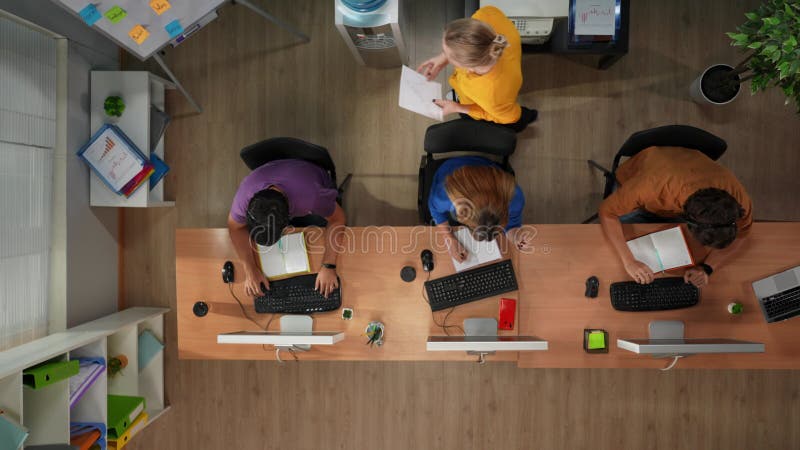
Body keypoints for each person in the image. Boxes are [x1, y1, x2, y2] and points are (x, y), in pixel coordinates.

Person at [598, 146, 753, 287]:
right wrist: (629, 261)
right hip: (646, 180)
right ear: (688, 219)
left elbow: (742, 236)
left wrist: (706, 268)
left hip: (683, 175)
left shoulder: (738, 201)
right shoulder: (651, 187)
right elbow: (607, 212)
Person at [227, 159, 346, 297]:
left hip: (310, 178)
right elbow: (234, 227)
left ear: (288, 222)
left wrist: (328, 266)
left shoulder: (311, 197)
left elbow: (338, 219)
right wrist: (250, 269)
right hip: (283, 175)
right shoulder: (244, 198)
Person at [417, 6, 537, 132]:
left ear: (467, 67)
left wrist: (459, 107)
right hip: (501, 86)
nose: (444, 55)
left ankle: (529, 117)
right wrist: (443, 58)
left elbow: (511, 117)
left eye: (448, 55)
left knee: (514, 120)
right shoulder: (488, 15)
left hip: (496, 106)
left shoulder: (492, 95)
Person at [428, 156, 531, 261]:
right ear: (463, 214)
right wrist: (449, 239)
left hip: (487, 169)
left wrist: (515, 234)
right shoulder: (445, 196)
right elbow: (435, 210)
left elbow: (512, 224)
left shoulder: (514, 196)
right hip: (450, 169)